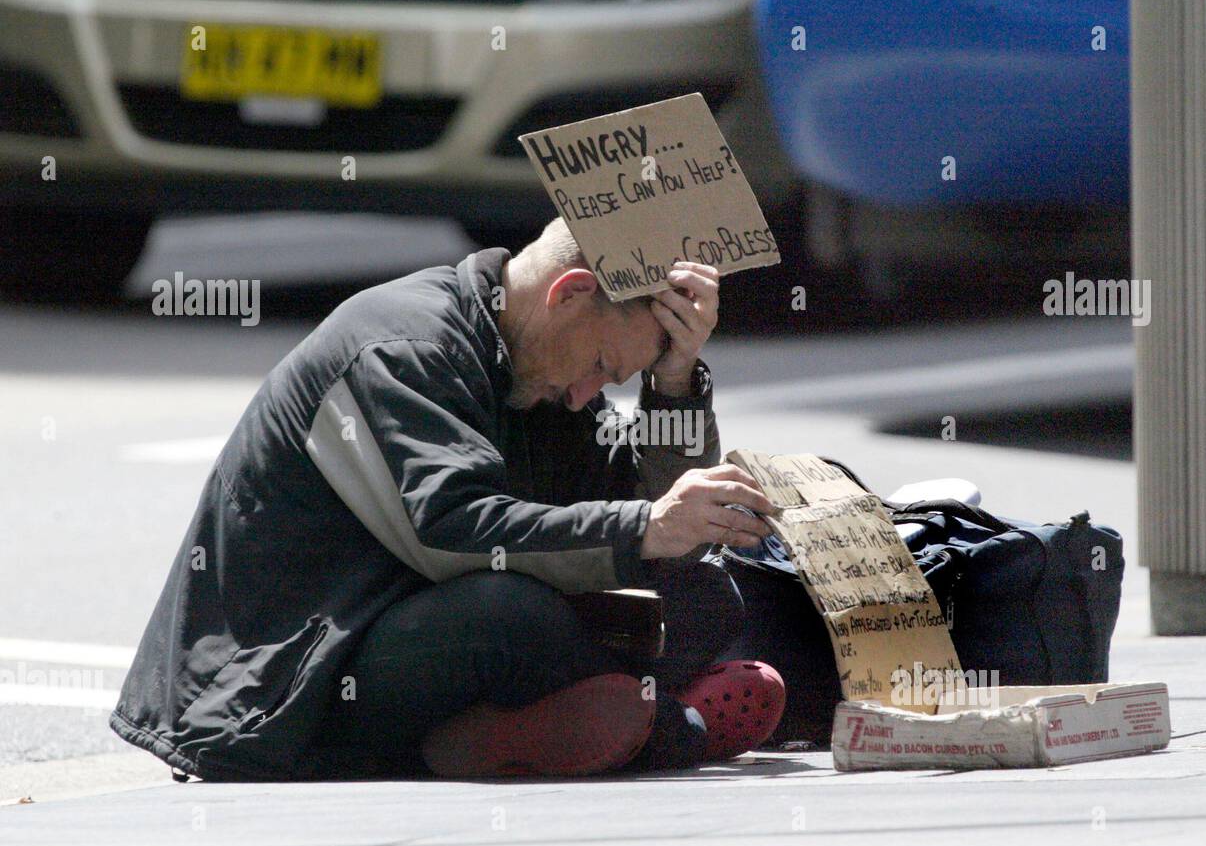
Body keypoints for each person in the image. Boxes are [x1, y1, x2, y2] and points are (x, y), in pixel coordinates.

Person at [110, 218, 812, 782]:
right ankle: (671, 729)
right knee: (510, 617)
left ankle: (500, 732)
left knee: (705, 591)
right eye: (603, 368)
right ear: (567, 293)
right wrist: (647, 526)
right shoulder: (404, 345)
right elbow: (454, 533)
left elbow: (641, 514)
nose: (588, 395)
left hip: (414, 623)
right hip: (285, 682)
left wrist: (675, 381)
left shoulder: (541, 361)